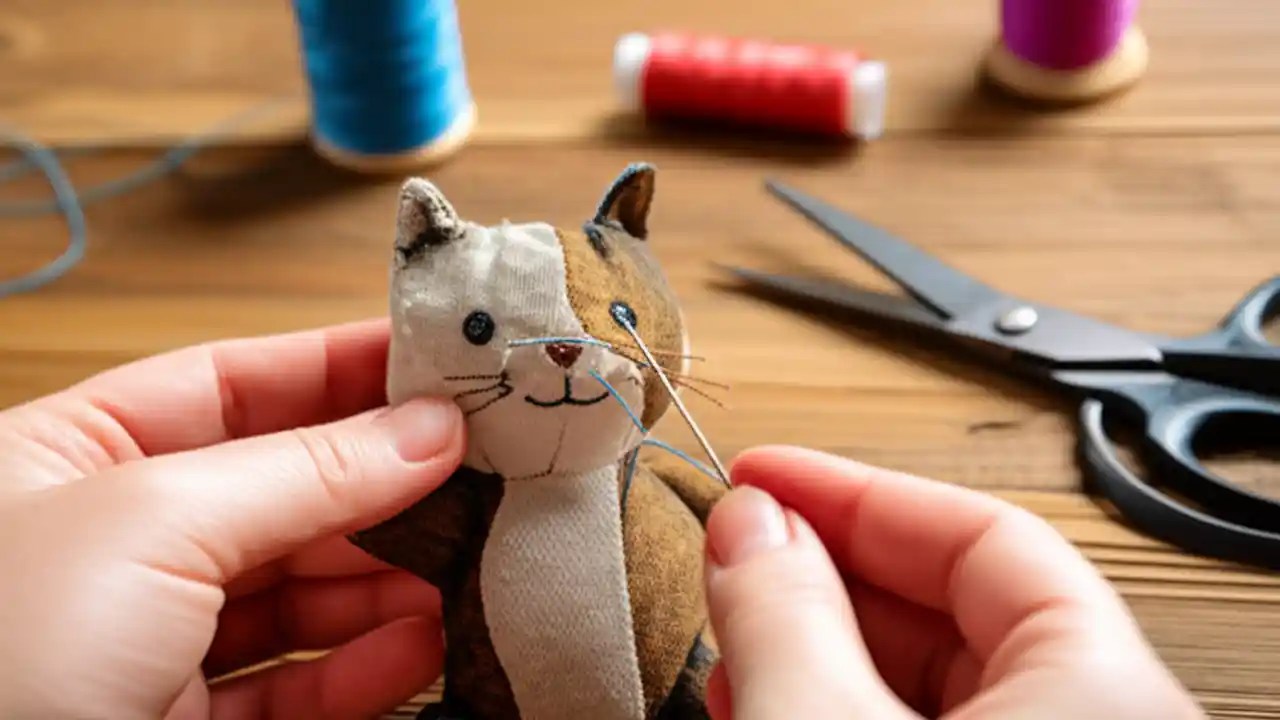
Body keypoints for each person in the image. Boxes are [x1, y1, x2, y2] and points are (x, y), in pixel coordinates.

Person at [0, 320, 1204, 720]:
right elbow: (400, 532)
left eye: (609, 325)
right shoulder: (457, 496)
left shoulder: (658, 479)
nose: (573, 352)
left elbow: (729, 514)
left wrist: (759, 548)